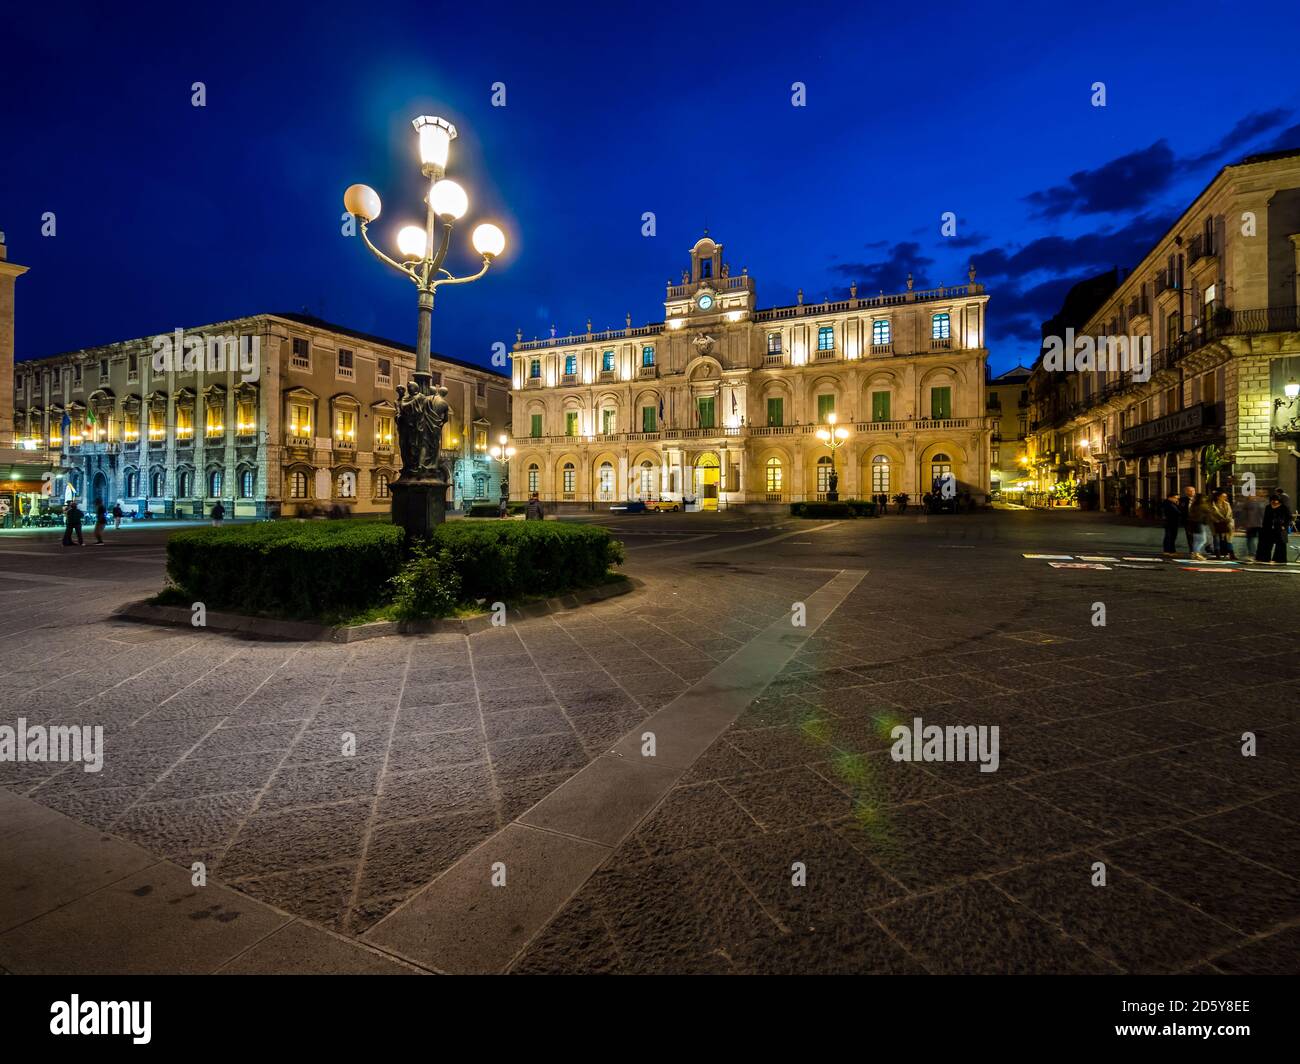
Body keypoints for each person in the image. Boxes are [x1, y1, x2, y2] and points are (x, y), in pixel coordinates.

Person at [1257, 493, 1293, 564]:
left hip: (1280, 528)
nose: (1274, 502)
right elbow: (1265, 518)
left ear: (1279, 500)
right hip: (1268, 528)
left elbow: (1289, 517)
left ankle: (1279, 559)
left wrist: (1284, 526)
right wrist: (1263, 527)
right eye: (1273, 500)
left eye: (1276, 500)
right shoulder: (1268, 507)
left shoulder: (1284, 507)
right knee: (1266, 544)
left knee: (1280, 544)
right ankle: (1265, 558)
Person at [1235, 489, 1266, 563]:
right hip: (1258, 524)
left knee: (1251, 540)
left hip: (1251, 524)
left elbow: (1243, 514)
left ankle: (1252, 554)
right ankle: (1258, 554)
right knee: (1258, 540)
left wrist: (1240, 524)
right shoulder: (1262, 503)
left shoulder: (1249, 503)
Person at [1209, 488, 1235, 559]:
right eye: (1223, 496)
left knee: (1228, 539)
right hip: (1216, 524)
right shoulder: (1212, 505)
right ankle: (1218, 554)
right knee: (1216, 538)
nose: (1225, 498)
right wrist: (1217, 520)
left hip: (1226, 524)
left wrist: (1228, 520)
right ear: (1218, 497)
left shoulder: (1227, 504)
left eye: (1225, 496)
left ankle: (1231, 554)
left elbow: (1230, 514)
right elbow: (1210, 515)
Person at [1160, 490, 1182, 556]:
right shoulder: (1168, 504)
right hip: (1170, 522)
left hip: (1171, 522)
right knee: (1170, 537)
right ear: (1170, 497)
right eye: (1176, 498)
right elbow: (1177, 512)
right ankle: (1169, 551)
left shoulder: (1170, 503)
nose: (1177, 499)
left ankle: (1170, 551)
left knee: (1171, 537)